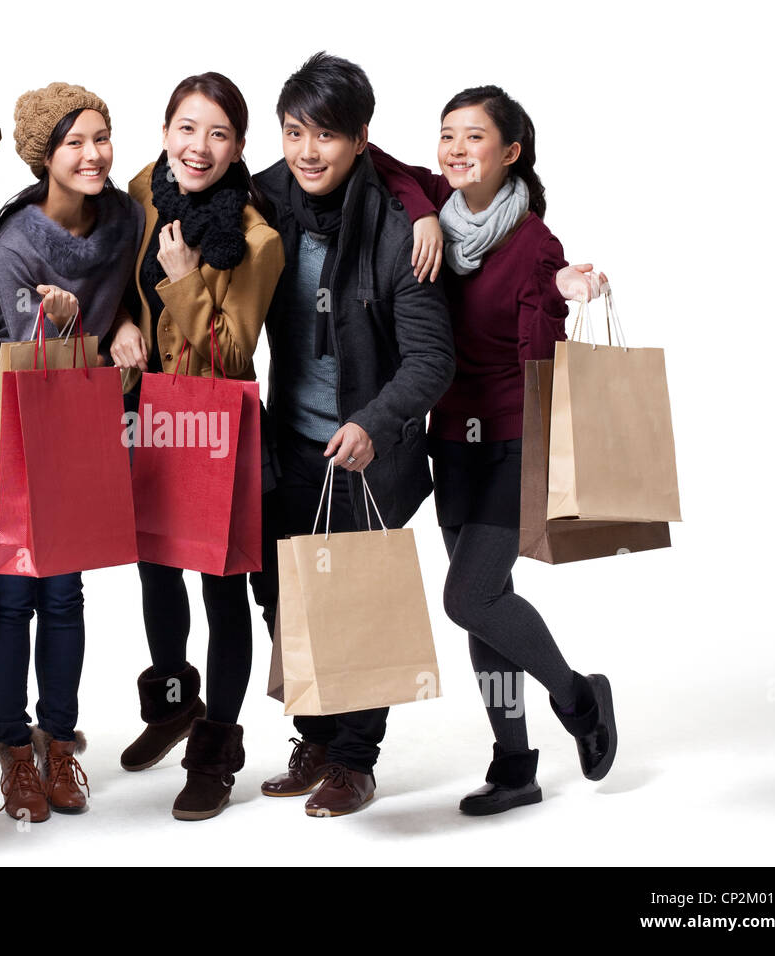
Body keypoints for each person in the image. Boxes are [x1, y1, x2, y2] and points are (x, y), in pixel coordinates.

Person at [367, 84, 618, 815]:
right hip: (455, 443)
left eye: (473, 137)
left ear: (510, 153)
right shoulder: (432, 214)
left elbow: (543, 332)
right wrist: (418, 210)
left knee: (468, 596)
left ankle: (577, 697)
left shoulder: (534, 242)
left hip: (515, 443)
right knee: (486, 606)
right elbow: (373, 157)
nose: (455, 149)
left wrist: (563, 289)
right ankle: (516, 766)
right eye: (447, 135)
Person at [249, 53, 455, 817]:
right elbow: (187, 176)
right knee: (279, 594)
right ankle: (317, 733)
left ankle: (356, 760)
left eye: (327, 135)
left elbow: (434, 358)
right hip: (287, 442)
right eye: (295, 132)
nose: (308, 151)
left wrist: (373, 421)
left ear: (361, 139)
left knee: (356, 601)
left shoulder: (402, 230)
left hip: (369, 451)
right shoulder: (267, 199)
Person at [110, 73, 284, 821]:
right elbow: (116, 273)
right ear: (165, 132)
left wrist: (184, 284)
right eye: (186, 127)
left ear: (240, 146)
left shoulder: (257, 237)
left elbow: (234, 350)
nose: (198, 147)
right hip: (148, 410)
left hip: (217, 418)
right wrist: (122, 320)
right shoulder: (145, 192)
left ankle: (215, 753)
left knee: (219, 585)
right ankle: (174, 704)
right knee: (153, 566)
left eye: (217, 133)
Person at [0, 83, 145, 823]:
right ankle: (13, 747)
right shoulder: (16, 243)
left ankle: (60, 740)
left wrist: (133, 316)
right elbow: (26, 356)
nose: (93, 154)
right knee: (13, 595)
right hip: (8, 426)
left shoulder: (128, 217)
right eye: (74, 142)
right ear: (44, 156)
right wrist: (97, 339)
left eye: (100, 137)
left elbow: (143, 287)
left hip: (81, 424)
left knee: (66, 593)